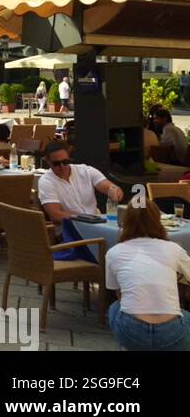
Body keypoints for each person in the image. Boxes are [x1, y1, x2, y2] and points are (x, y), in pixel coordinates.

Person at [106, 202, 190, 351]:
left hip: (131, 332)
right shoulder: (174, 249)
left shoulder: (114, 252)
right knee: (184, 315)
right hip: (172, 335)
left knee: (114, 307)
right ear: (158, 220)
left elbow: (117, 292)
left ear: (126, 221)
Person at [38, 140, 123, 225]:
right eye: (56, 164)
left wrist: (115, 192)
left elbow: (109, 187)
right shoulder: (46, 181)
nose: (62, 167)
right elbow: (56, 215)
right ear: (47, 161)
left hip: (95, 223)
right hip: (70, 229)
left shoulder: (85, 171)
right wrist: (84, 219)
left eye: (65, 162)